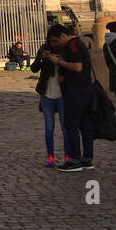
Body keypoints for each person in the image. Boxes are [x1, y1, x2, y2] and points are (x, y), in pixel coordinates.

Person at [50, 25, 96, 171]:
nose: (56, 45)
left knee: (71, 125)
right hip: (84, 88)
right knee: (84, 125)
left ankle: (74, 160)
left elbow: (77, 67)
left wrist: (59, 62)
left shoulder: (73, 45)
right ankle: (87, 159)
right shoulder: (77, 44)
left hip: (77, 89)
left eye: (56, 41)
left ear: (64, 35)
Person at [31, 26, 68, 167]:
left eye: (56, 41)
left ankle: (67, 156)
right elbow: (34, 68)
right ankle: (50, 157)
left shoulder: (64, 49)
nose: (54, 44)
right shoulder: (43, 49)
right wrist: (41, 58)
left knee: (65, 127)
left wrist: (58, 59)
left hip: (62, 93)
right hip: (47, 93)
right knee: (49, 127)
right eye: (51, 41)